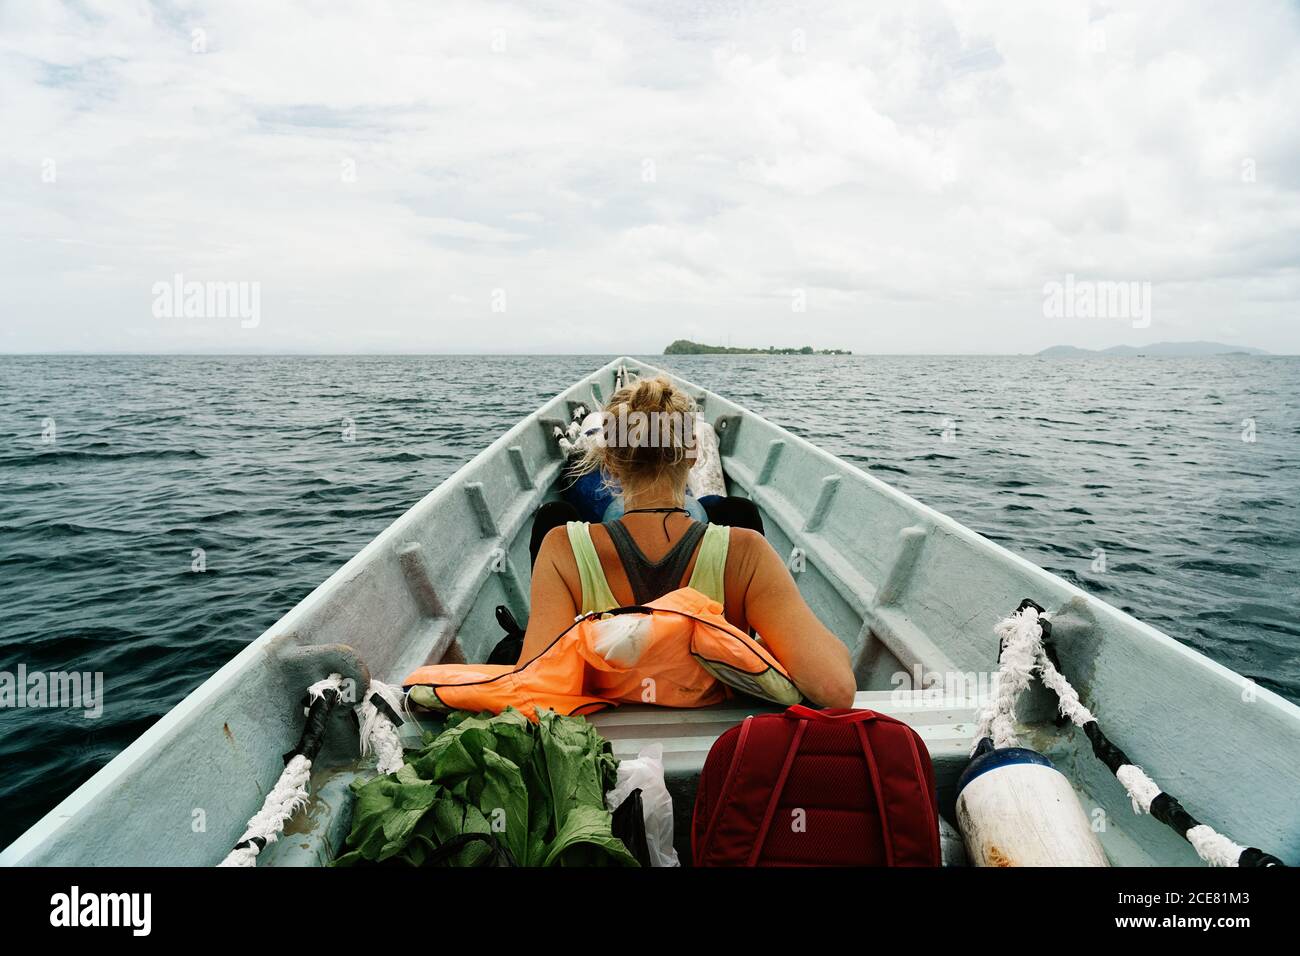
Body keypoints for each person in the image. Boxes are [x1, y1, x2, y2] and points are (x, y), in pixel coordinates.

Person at [520, 375, 857, 708]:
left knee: (554, 512)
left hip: (606, 749)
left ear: (609, 462)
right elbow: (836, 690)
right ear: (694, 454)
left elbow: (537, 690)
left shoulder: (561, 548)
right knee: (739, 511)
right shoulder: (746, 554)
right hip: (720, 750)